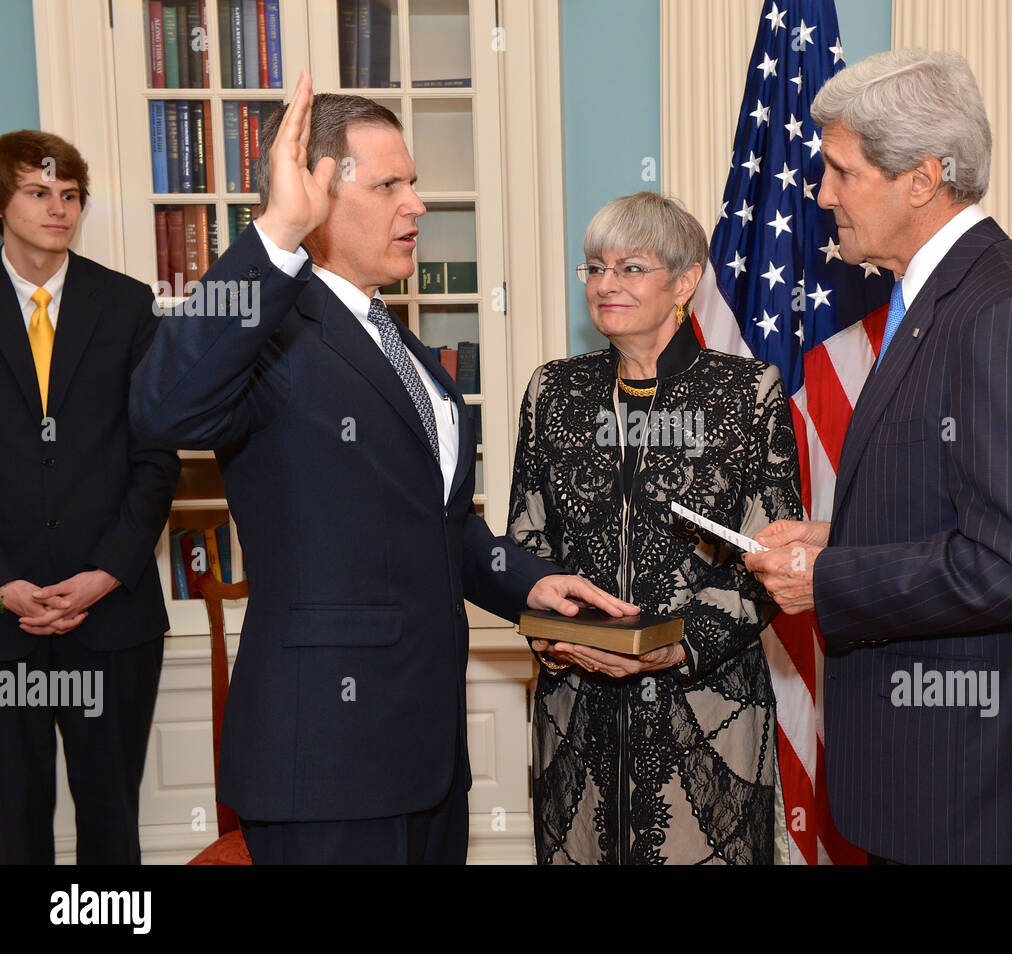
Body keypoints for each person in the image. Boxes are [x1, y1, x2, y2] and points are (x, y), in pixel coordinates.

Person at [130, 73, 635, 864]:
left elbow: (438, 525)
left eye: (417, 183)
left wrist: (527, 582)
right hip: (327, 758)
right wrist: (273, 236)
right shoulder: (270, 327)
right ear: (319, 193)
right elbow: (164, 407)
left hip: (428, 756)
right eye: (392, 184)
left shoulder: (397, 341)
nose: (418, 205)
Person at [746, 49, 1012, 865]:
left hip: (977, 795)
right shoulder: (928, 299)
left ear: (921, 177)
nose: (823, 193)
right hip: (929, 787)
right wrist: (836, 539)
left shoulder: (1001, 310)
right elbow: (959, 507)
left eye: (841, 170)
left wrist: (831, 580)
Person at [508, 191, 803, 864]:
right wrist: (556, 640)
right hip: (575, 710)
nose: (606, 283)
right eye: (594, 267)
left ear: (685, 281)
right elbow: (526, 543)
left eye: (630, 267)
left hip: (706, 711)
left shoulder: (747, 393)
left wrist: (674, 648)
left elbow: (770, 561)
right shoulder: (553, 392)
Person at [0, 130, 179, 864]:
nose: (59, 209)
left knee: (111, 829)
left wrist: (104, 575)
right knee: (13, 827)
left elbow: (155, 460)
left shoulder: (129, 305)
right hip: (4, 622)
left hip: (113, 620)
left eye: (70, 196)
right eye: (39, 193)